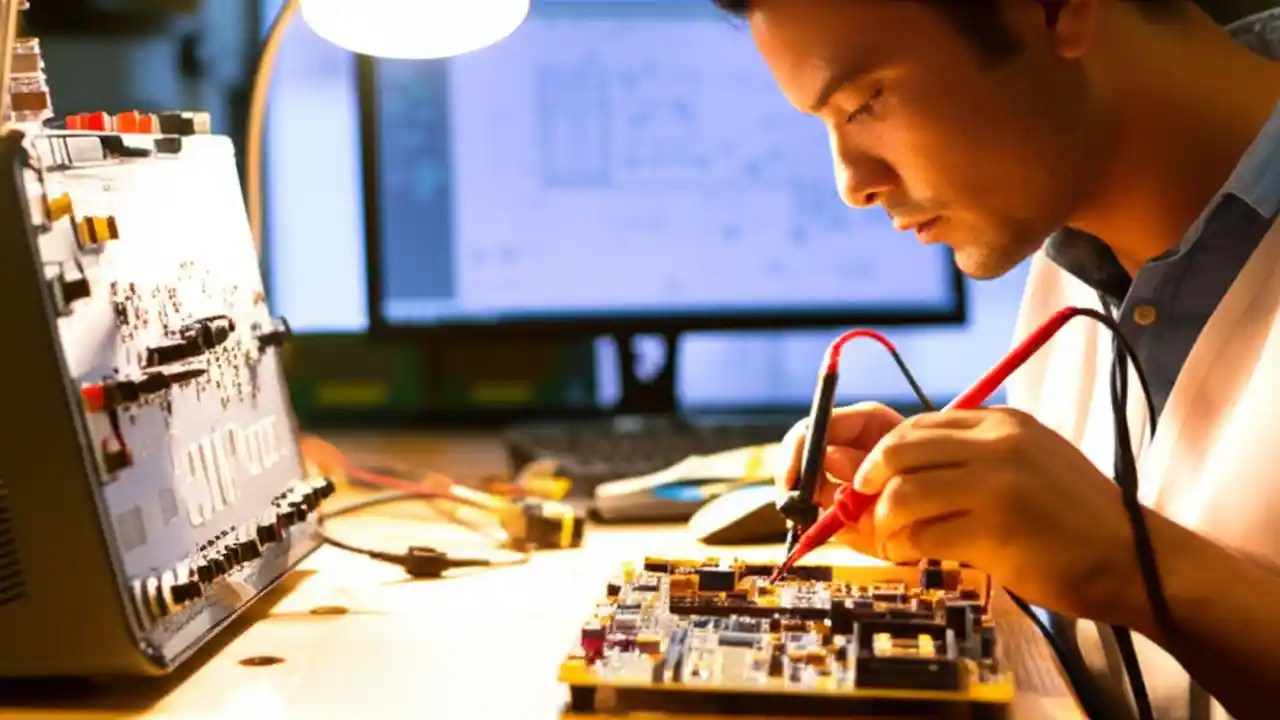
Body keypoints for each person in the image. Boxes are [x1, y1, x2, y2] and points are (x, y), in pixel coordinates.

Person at [706, 1, 1280, 719]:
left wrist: (1132, 562)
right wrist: (968, 513)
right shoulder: (1073, 254)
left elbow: (1130, 559)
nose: (851, 185)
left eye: (864, 103)